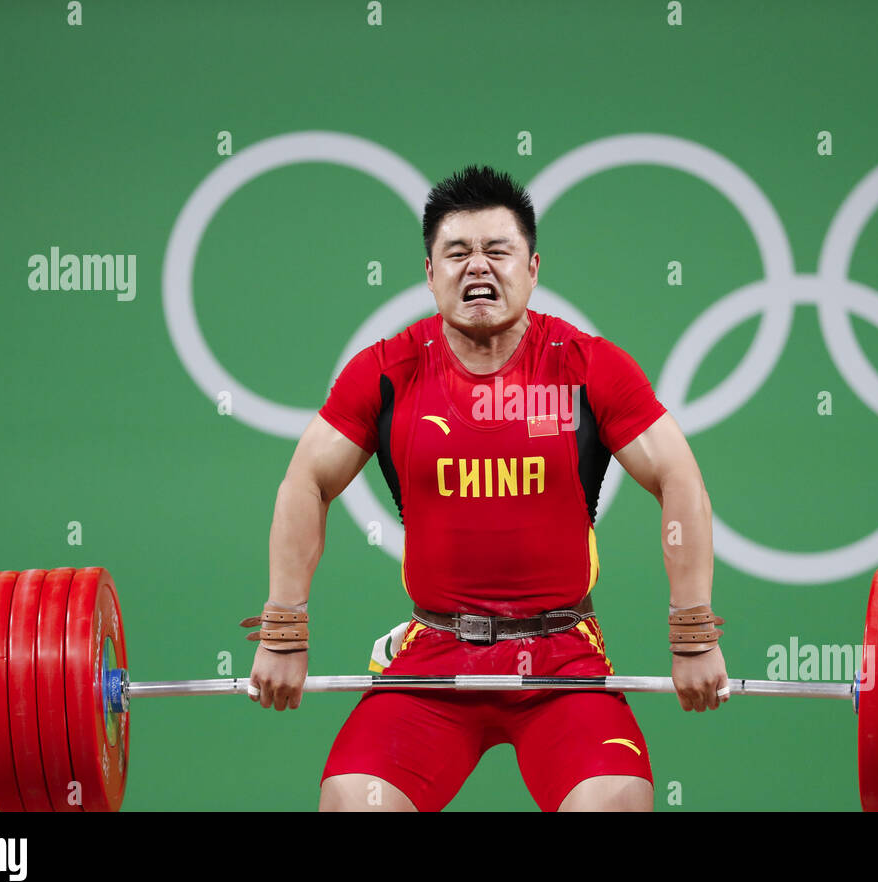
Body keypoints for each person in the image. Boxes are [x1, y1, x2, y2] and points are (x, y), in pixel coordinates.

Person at [248, 165, 728, 811]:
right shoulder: (388, 372)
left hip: (562, 663)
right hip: (434, 662)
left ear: (532, 267)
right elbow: (306, 479)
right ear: (429, 274)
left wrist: (693, 630)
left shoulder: (587, 366)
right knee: (352, 801)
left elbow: (679, 475)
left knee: (613, 803)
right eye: (458, 252)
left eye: (498, 250)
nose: (479, 266)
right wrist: (285, 626)